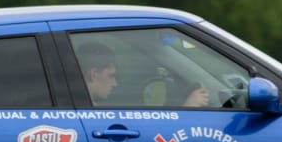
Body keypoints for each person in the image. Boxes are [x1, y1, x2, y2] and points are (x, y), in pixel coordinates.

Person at [78, 40, 210, 107]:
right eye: (111, 76)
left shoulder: (82, 109)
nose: (115, 83)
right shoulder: (91, 115)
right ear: (93, 74)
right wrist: (189, 107)